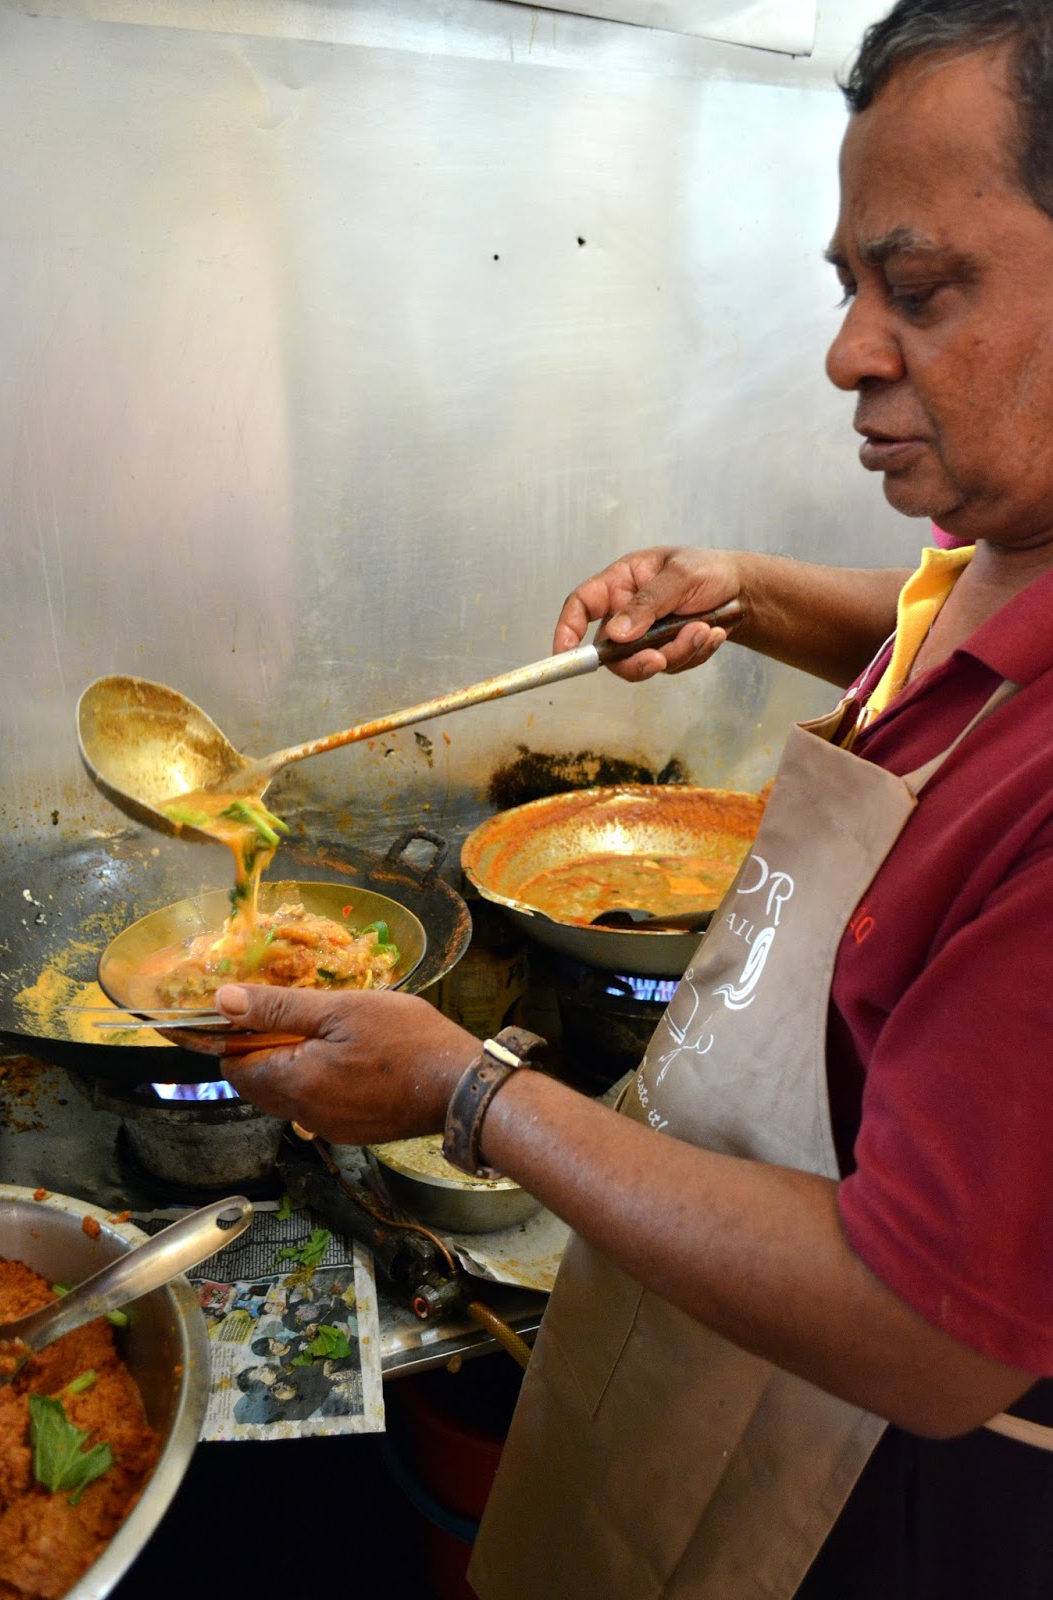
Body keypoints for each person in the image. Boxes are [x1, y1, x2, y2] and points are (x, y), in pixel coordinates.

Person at [208, 3, 1053, 1594]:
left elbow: (927, 1335)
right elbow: (946, 629)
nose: (847, 352)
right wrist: (744, 591)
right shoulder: (1026, 539)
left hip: (898, 1484)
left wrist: (469, 1095)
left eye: (921, 287)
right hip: (740, 1362)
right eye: (848, 285)